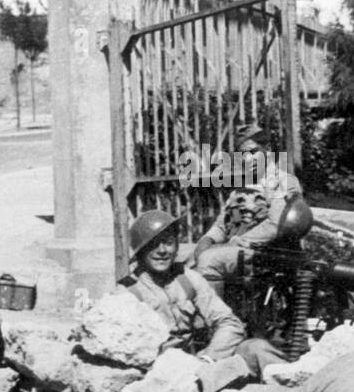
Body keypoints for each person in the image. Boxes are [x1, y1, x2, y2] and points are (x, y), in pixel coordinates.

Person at [119, 209, 284, 378]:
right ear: (140, 250)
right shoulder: (127, 293)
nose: (162, 250)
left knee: (256, 348)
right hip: (160, 375)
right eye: (153, 244)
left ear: (176, 246)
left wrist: (208, 358)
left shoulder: (187, 278)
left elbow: (229, 322)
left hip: (198, 363)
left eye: (168, 242)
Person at [191, 123, 304, 293]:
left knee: (209, 260)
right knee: (181, 255)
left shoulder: (284, 182)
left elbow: (275, 225)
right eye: (242, 154)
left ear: (267, 149)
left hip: (267, 255)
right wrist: (207, 240)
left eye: (252, 152)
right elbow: (225, 224)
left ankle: (215, 318)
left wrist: (235, 243)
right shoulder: (240, 189)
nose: (247, 159)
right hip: (238, 252)